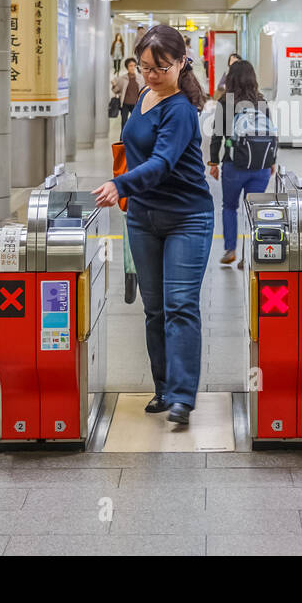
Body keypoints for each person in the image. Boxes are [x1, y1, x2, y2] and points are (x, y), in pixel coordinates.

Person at [91, 25, 213, 426]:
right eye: (145, 67)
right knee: (155, 309)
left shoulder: (180, 110)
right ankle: (162, 388)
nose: (151, 75)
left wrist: (119, 184)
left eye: (160, 68)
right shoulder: (144, 93)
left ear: (180, 63)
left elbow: (161, 164)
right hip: (143, 217)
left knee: (180, 306)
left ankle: (182, 396)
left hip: (187, 218)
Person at [207, 59, 277, 266]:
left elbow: (216, 136)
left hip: (233, 165)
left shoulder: (225, 102)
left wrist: (213, 162)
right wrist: (272, 160)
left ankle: (231, 249)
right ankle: (249, 253)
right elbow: (272, 133)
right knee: (254, 210)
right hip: (261, 166)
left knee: (229, 207)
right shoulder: (261, 102)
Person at [111, 58, 140, 130]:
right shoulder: (122, 78)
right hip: (125, 104)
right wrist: (114, 85)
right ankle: (122, 140)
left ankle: (134, 139)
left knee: (136, 123)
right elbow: (116, 91)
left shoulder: (140, 78)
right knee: (124, 123)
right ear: (127, 67)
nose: (132, 67)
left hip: (136, 105)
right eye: (130, 66)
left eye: (134, 65)